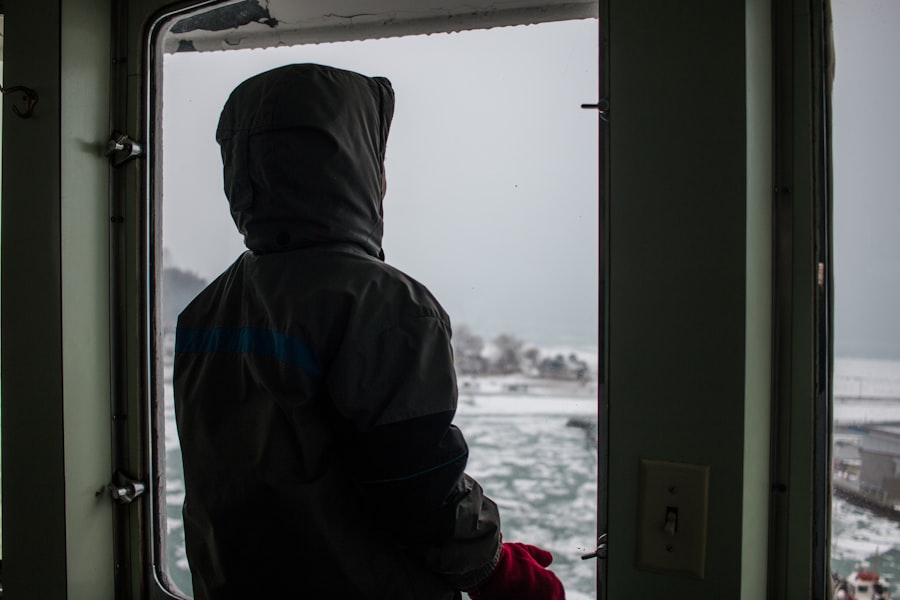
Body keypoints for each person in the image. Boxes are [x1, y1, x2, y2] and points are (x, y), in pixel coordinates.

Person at [174, 63, 565, 600]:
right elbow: (418, 487)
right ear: (353, 169)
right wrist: (498, 568)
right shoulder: (384, 305)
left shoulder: (207, 308)